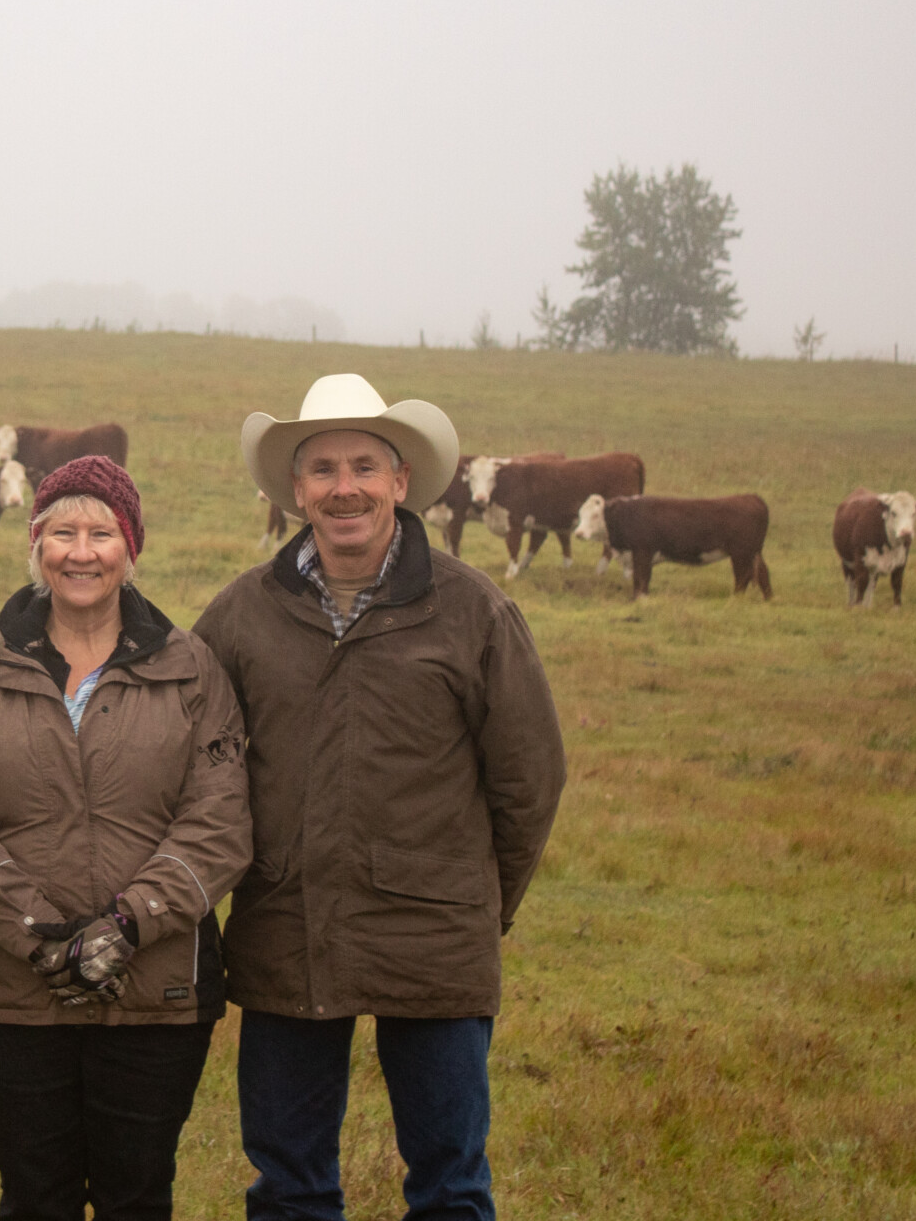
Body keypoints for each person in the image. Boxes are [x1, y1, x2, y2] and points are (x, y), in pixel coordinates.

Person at [192, 374, 567, 1221]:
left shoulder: (473, 612)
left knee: (449, 1183)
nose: (345, 488)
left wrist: (473, 903)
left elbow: (530, 780)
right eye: (323, 469)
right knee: (289, 1185)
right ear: (297, 490)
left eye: (365, 466)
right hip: (287, 927)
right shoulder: (242, 614)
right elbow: (194, 762)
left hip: (434, 939)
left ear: (401, 481)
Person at [0, 456, 252, 1221]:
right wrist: (36, 933)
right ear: (36, 546)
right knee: (36, 1195)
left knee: (138, 1196)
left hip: (157, 990)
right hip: (15, 991)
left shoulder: (191, 669)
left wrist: (128, 925)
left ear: (131, 548)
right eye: (61, 533)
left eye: (102, 533)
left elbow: (220, 814)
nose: (81, 552)